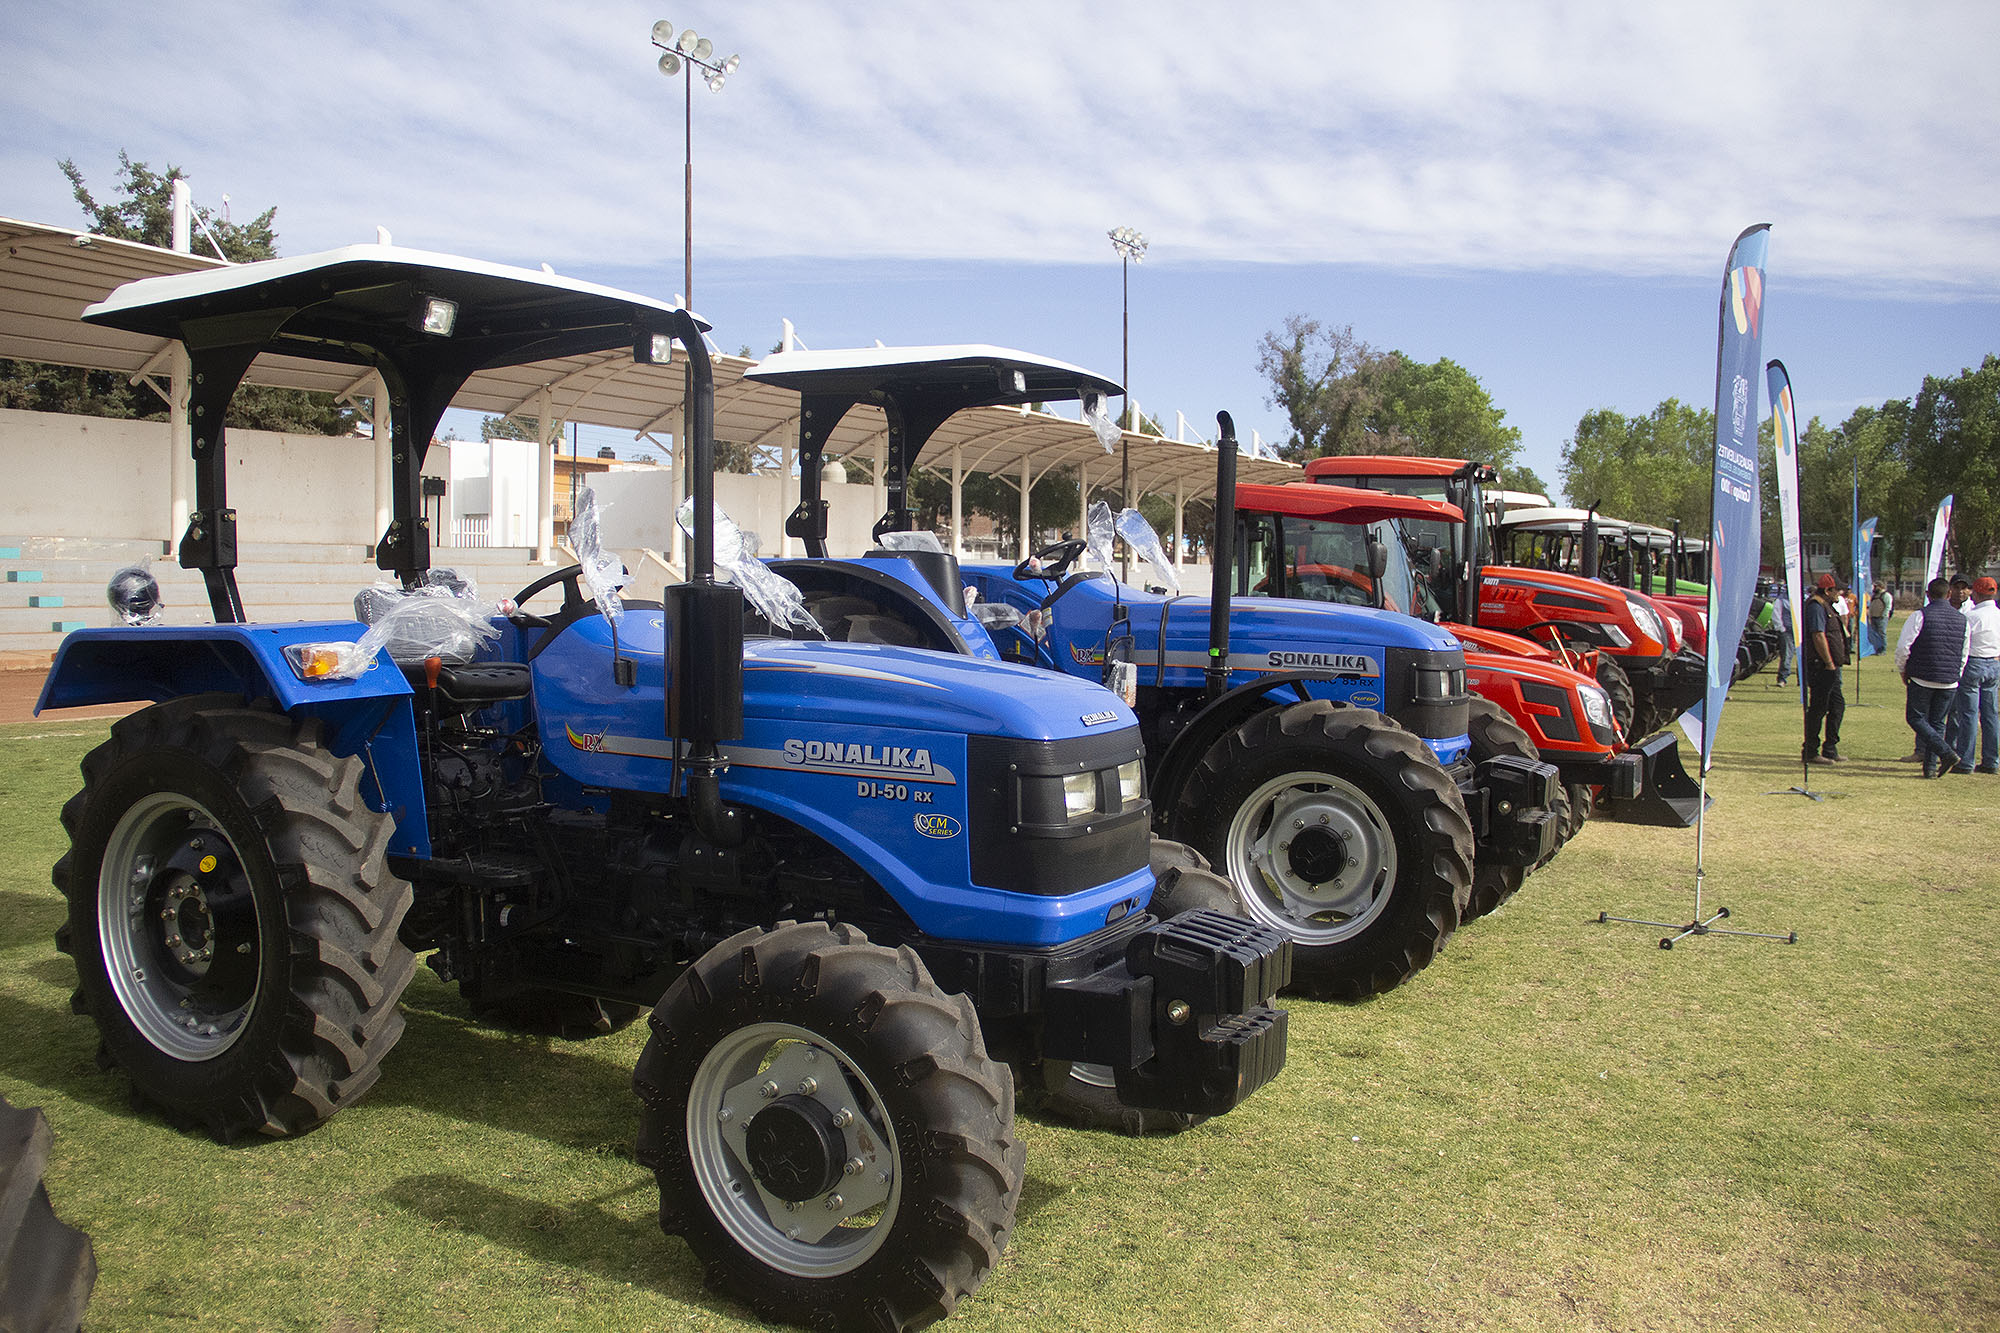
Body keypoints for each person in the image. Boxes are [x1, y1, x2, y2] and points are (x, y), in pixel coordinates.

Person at [1895, 577, 1970, 778]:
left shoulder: (1920, 616)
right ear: (1949, 594)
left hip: (1923, 677)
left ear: (1927, 595)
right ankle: (1929, 768)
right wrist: (1957, 674)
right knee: (1937, 723)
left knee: (1916, 718)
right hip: (1949, 679)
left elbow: (1904, 647)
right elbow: (1964, 652)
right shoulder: (1963, 620)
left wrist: (1903, 669)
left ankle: (1945, 752)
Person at [1951, 575, 2000, 774]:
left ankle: (1966, 760)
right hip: (1994, 662)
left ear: (1976, 593)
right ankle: (1991, 760)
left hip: (1973, 662)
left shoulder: (1971, 617)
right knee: (1990, 714)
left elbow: (1962, 645)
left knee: (1969, 714)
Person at [1802, 572, 1849, 764]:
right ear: (1828, 590)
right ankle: (1811, 751)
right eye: (1837, 590)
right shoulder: (1816, 606)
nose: (1841, 593)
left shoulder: (1827, 605)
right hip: (1821, 666)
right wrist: (1829, 662)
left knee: (1837, 706)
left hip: (1831, 666)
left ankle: (1830, 748)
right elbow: (1818, 635)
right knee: (1818, 709)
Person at [1773, 587, 1794, 686]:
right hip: (1787, 631)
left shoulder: (1803, 597)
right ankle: (1782, 678)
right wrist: (1781, 628)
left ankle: (1802, 680)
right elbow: (1776, 614)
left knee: (1803, 656)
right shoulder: (1781, 600)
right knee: (1786, 655)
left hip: (1800, 631)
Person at [1868, 583, 1889, 655]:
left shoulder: (1885, 595)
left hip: (1881, 618)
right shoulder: (1874, 596)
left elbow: (1888, 606)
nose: (1874, 588)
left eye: (1875, 586)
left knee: (1882, 633)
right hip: (1873, 617)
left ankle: (1883, 650)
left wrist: (1884, 615)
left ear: (1880, 587)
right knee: (1875, 634)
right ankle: (1876, 649)